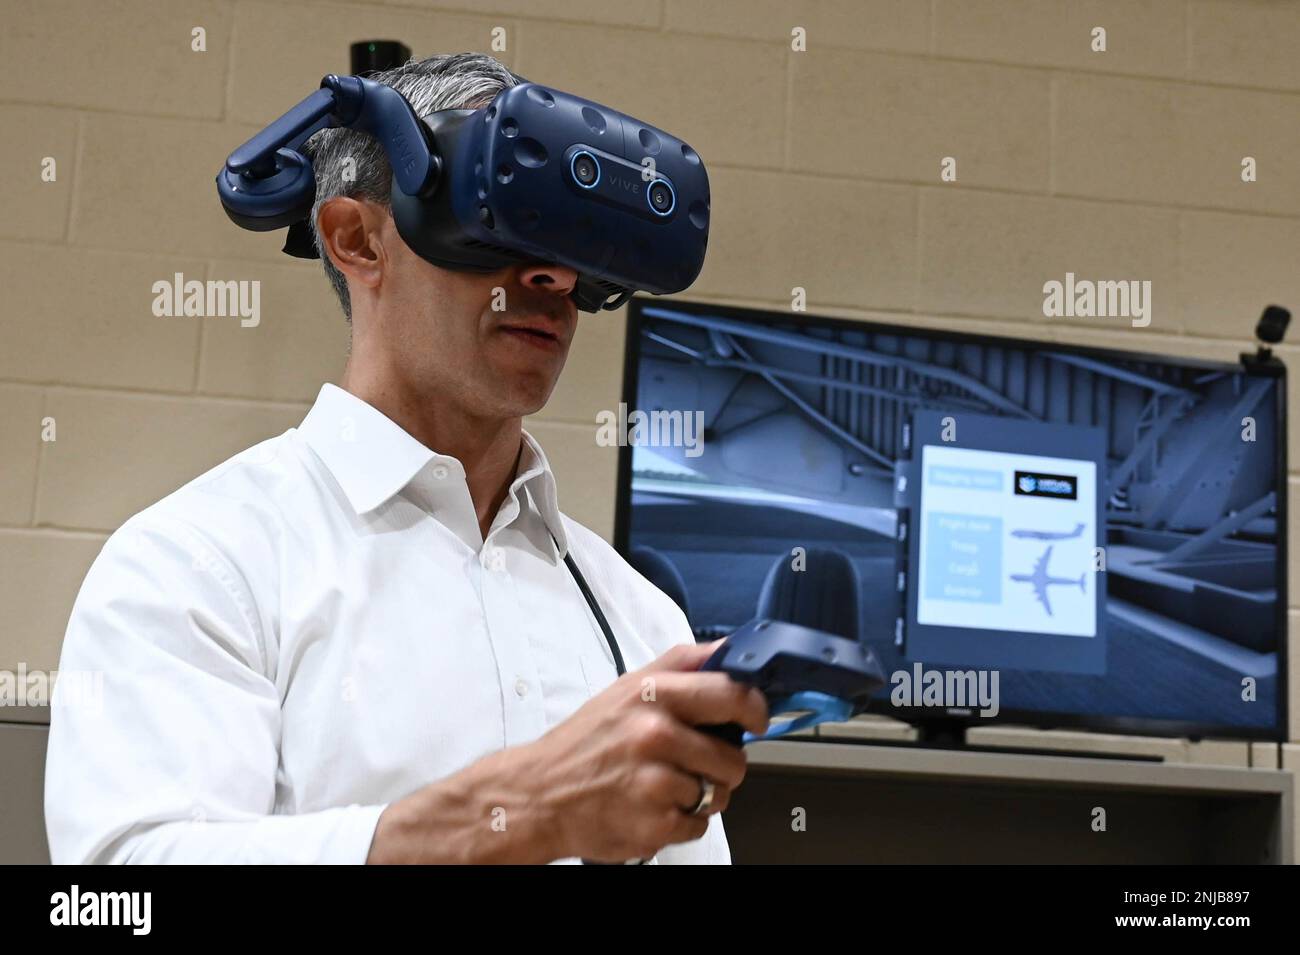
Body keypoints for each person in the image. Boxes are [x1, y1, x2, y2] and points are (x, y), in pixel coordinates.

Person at [44, 52, 767, 865]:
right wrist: (510, 814)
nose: (552, 276)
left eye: (569, 240)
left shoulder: (640, 621)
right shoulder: (196, 569)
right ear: (357, 239)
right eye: (498, 222)